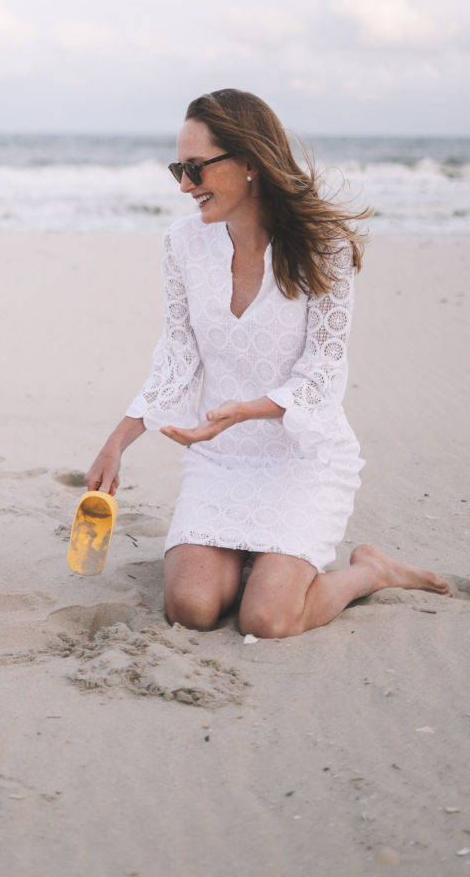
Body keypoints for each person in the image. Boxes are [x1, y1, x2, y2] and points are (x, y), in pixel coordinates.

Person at [85, 89, 449, 637]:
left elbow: (323, 372)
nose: (184, 185)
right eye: (176, 169)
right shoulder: (182, 244)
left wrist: (249, 410)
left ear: (250, 162)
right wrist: (119, 438)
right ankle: (263, 561)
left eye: (194, 168)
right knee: (192, 608)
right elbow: (179, 353)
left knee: (268, 620)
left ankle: (369, 572)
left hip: (300, 457)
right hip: (221, 458)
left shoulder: (321, 246)